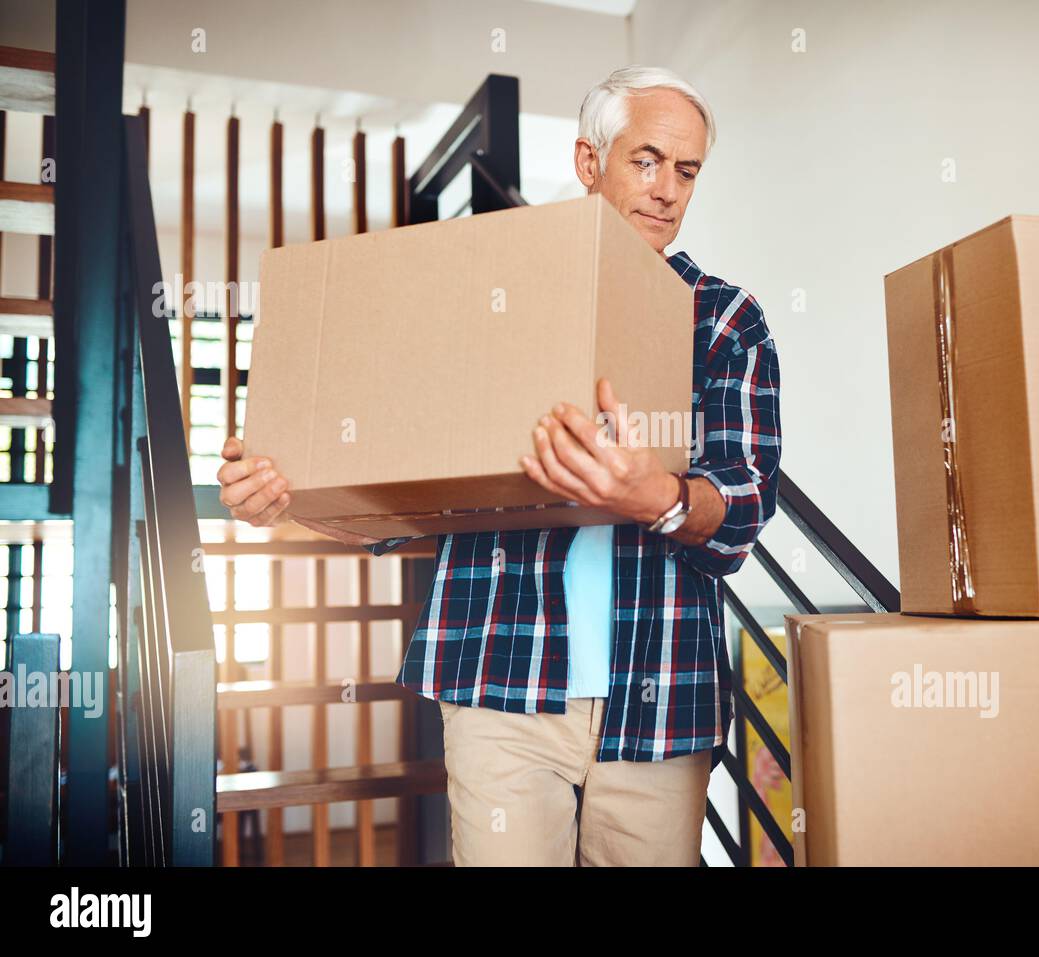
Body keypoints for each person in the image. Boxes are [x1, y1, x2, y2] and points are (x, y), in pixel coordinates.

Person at [218, 65, 781, 866]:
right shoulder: (486, 295)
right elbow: (402, 496)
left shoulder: (724, 319)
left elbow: (744, 506)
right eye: (645, 160)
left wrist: (649, 494)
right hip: (497, 679)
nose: (666, 189)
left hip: (662, 697)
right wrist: (283, 500)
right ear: (590, 162)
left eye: (685, 171)